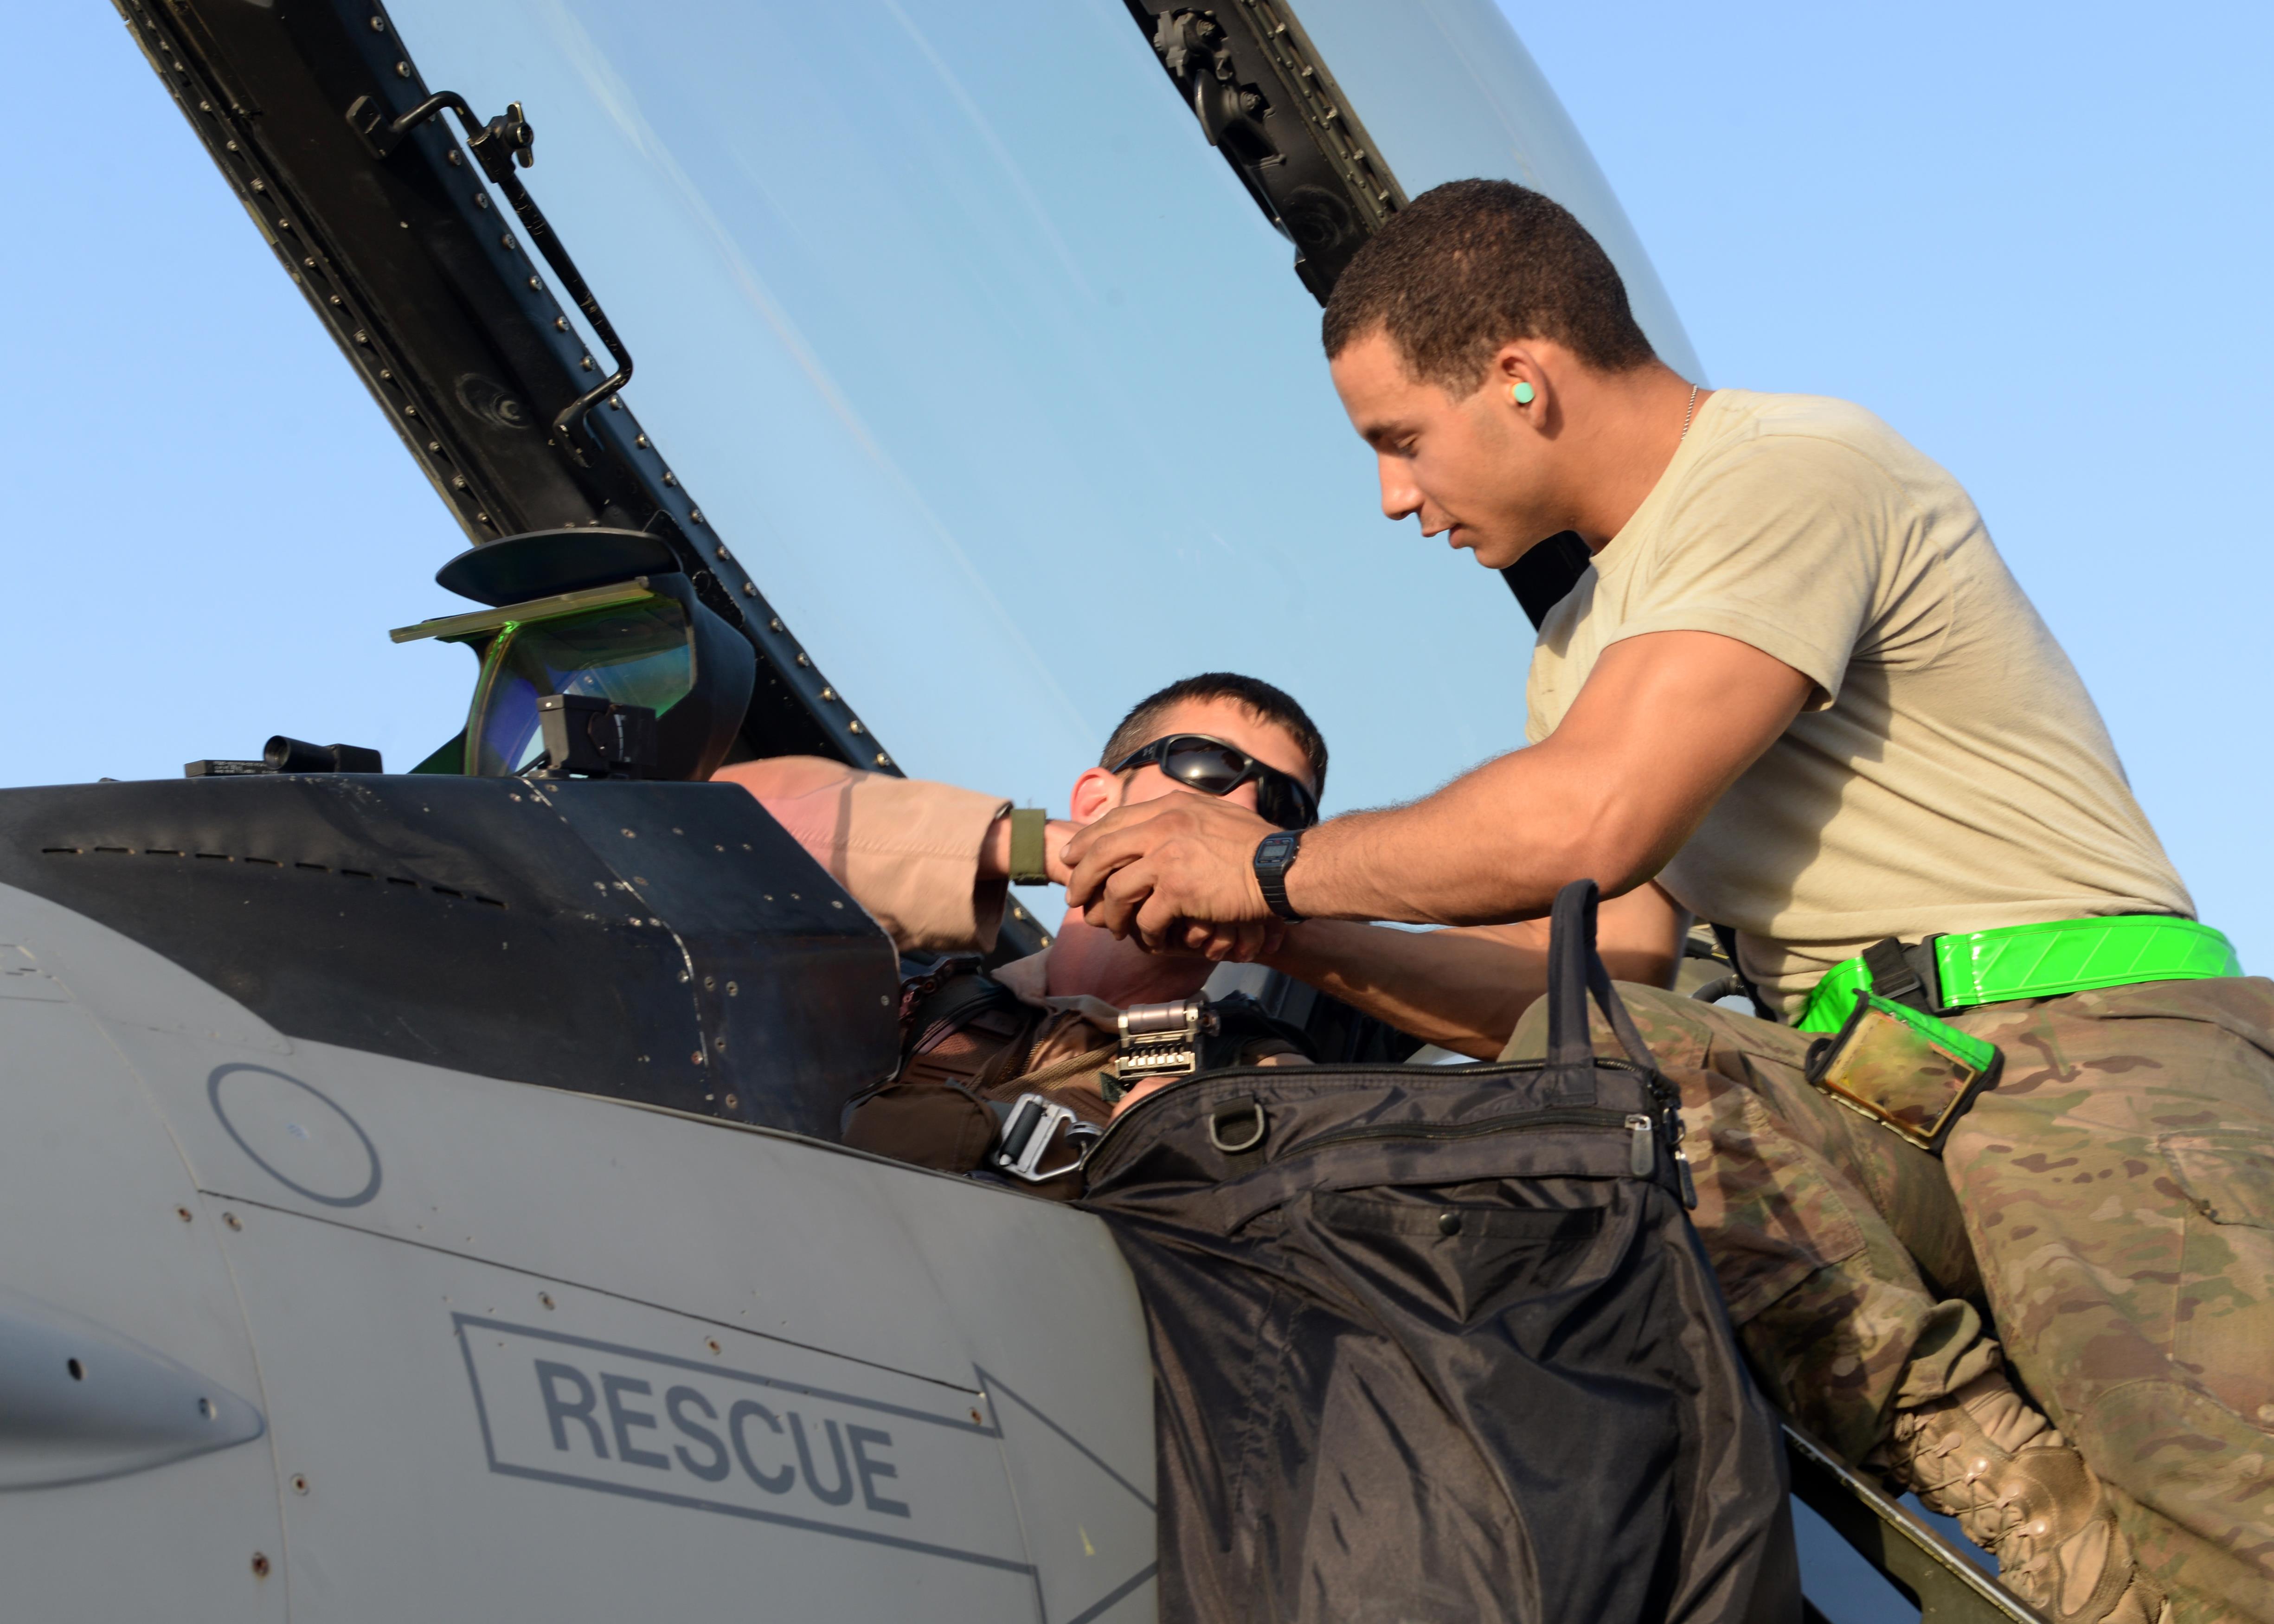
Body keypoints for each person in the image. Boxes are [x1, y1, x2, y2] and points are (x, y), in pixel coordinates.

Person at [1062, 180, 2272, 1624]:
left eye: (1399, 438)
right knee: (1605, 1073)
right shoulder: (1577, 651)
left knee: (2237, 1542)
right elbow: (1600, 981)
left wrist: (1259, 862)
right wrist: (1288, 930)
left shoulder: (1789, 469)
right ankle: (2047, 1534)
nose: (1393, 495)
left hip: (2089, 1055)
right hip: (1870, 1088)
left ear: (1519, 379)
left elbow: (1592, 812)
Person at [714, 673, 1326, 1191]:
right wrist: (1049, 848)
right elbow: (713, 827)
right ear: (1097, 801)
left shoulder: (1252, 1083)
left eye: (1285, 808)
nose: (1245, 809)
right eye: (1207, 765)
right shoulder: (912, 996)